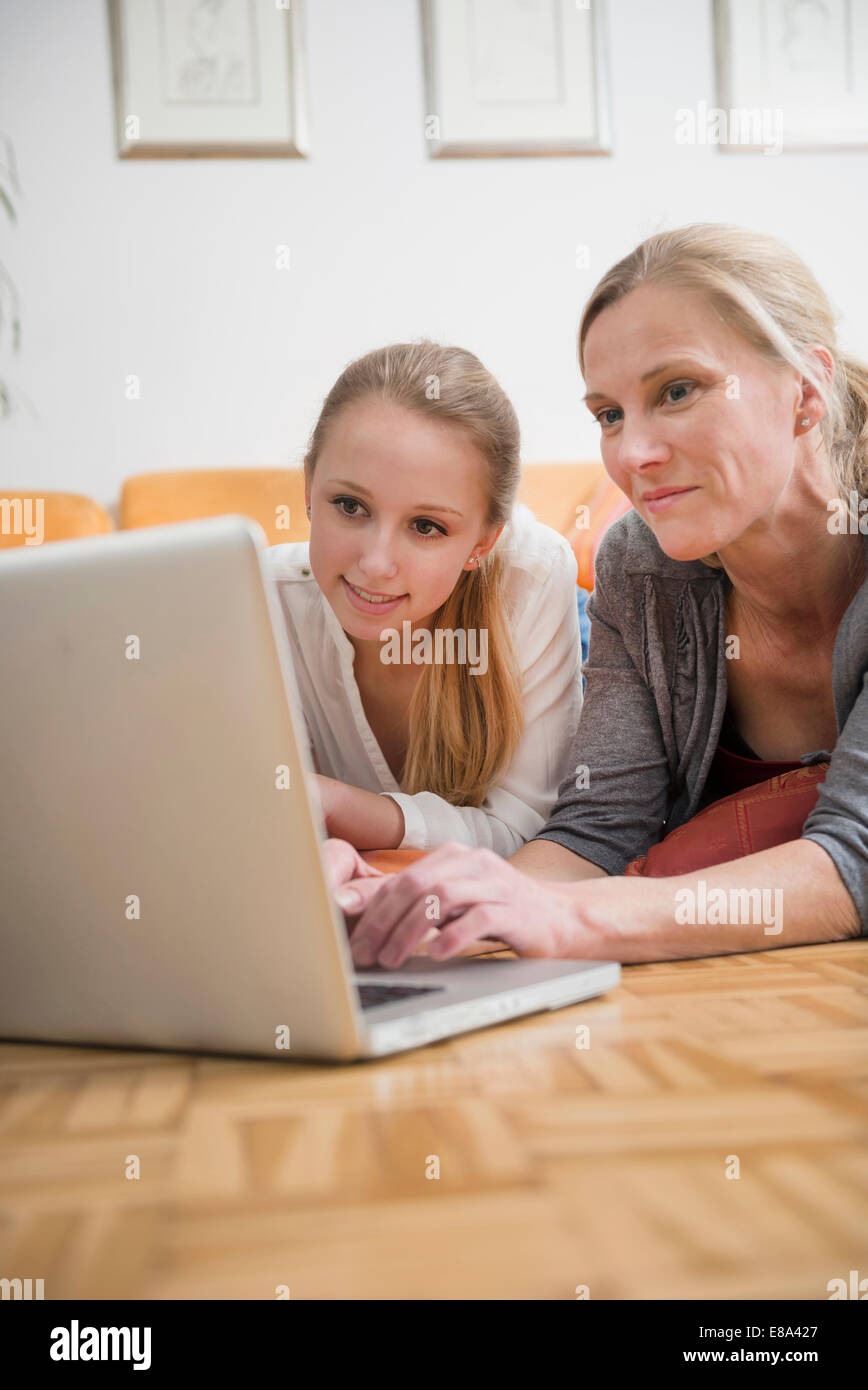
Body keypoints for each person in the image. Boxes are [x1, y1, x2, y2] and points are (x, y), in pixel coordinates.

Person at [326, 224, 868, 965]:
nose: (633, 455)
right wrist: (438, 913)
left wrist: (572, 923)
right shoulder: (639, 566)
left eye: (676, 391)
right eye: (610, 415)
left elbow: (854, 860)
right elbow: (597, 830)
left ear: (805, 392)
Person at [263, 340, 583, 855]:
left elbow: (528, 831)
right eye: (350, 505)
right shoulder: (263, 598)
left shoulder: (534, 575)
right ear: (308, 486)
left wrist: (339, 806)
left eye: (426, 526)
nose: (376, 563)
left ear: (484, 541)